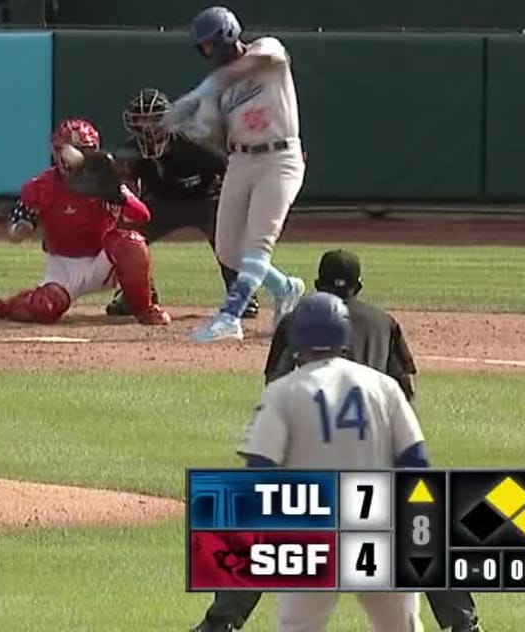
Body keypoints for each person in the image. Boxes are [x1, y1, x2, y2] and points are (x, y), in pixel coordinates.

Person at [189, 248, 486, 632]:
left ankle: (221, 623)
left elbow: (270, 404)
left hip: (315, 499)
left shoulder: (291, 361)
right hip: (375, 487)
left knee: (254, 525)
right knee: (426, 531)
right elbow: (408, 413)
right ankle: (465, 626)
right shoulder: (384, 336)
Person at [235, 293, 427, 632]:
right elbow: (415, 460)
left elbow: (259, 466)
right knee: (400, 626)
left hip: (312, 531)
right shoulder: (383, 386)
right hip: (378, 525)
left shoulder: (284, 391)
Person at [162, 5, 306, 343]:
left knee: (259, 242)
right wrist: (183, 123)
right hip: (241, 162)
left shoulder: (265, 49)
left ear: (228, 36)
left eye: (211, 44)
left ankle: (230, 317)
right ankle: (285, 288)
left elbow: (255, 66)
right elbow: (216, 135)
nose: (208, 52)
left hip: (279, 158)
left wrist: (201, 92)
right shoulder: (219, 93)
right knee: (228, 250)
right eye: (204, 47)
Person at [0, 118, 172, 326]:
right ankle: (8, 306)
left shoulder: (107, 181)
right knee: (43, 309)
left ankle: (145, 309)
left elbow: (142, 216)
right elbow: (16, 229)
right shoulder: (40, 187)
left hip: (103, 260)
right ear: (57, 152)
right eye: (75, 150)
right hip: (64, 267)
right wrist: (22, 228)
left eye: (86, 150)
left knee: (131, 243)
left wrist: (119, 195)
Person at [103, 88, 259, 320]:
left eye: (154, 119)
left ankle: (241, 295)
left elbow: (231, 169)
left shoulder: (195, 145)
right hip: (160, 204)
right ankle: (137, 295)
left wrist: (231, 202)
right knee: (123, 235)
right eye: (142, 120)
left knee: (227, 233)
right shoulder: (129, 151)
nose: (148, 127)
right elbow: (122, 185)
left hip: (204, 201)